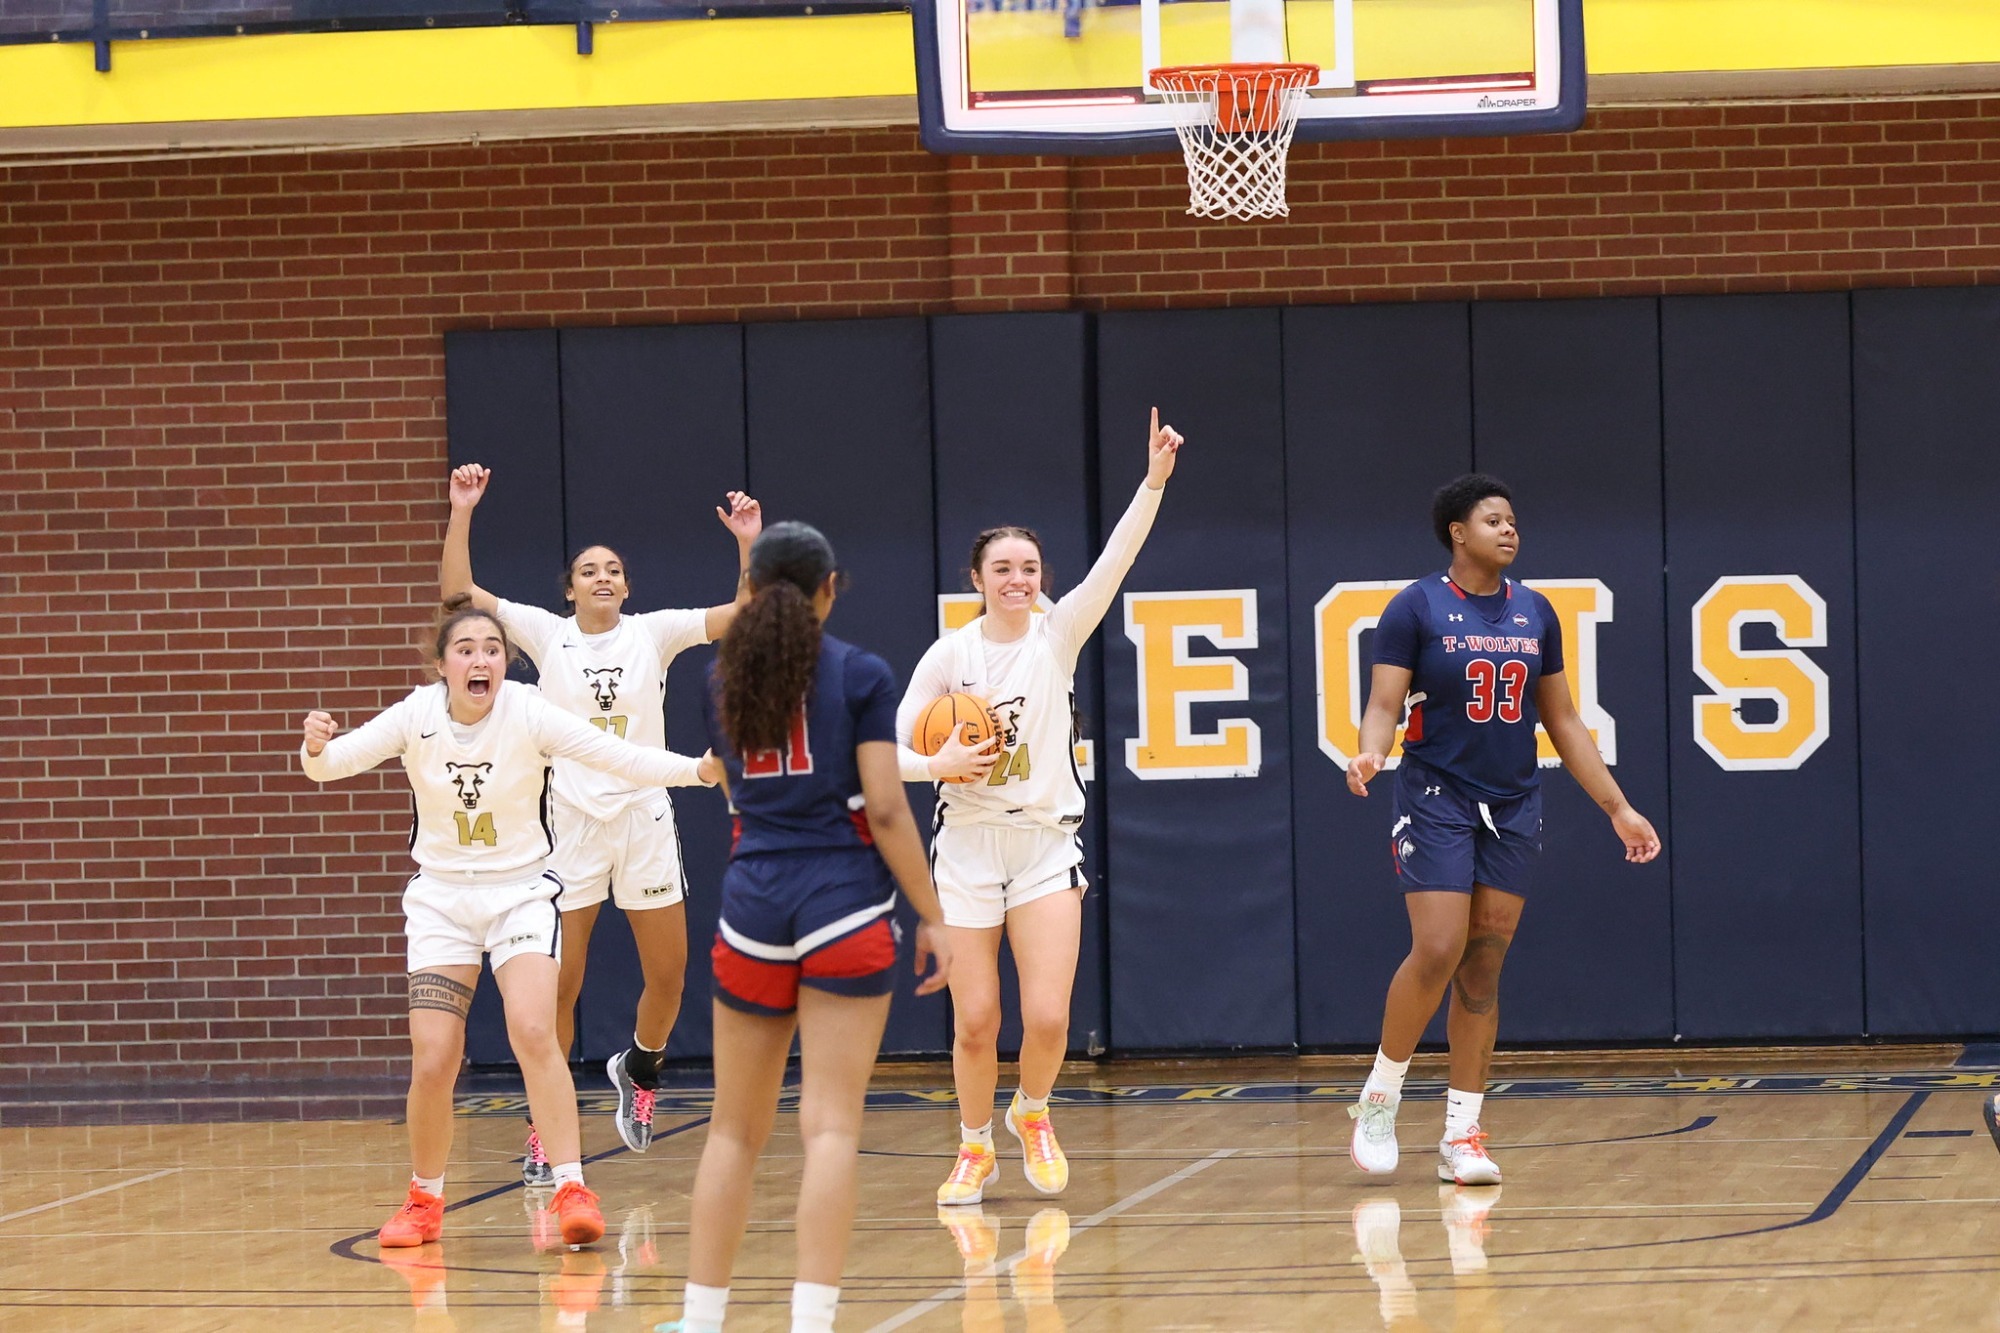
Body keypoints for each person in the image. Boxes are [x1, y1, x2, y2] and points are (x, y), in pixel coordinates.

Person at [299, 597, 721, 1250]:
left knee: (532, 1026)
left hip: (521, 893)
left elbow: (617, 755)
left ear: (505, 661)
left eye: (492, 648)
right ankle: (424, 1198)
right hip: (442, 903)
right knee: (435, 1055)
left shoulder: (526, 710)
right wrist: (315, 746)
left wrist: (694, 770)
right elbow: (333, 764)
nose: (482, 658)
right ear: (442, 663)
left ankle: (573, 1186)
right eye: (466, 648)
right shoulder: (417, 715)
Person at [667, 521, 952, 1333]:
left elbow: (733, 794)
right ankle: (811, 1322)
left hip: (753, 899)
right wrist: (934, 916)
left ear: (750, 591)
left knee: (731, 1129)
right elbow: (889, 806)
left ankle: (699, 1320)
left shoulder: (718, 680)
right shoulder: (861, 673)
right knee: (829, 1125)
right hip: (845, 901)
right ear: (831, 588)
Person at [440, 463, 761, 1180]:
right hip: (572, 823)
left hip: (644, 815)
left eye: (614, 569)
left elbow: (743, 613)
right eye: (590, 570)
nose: (604, 577)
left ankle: (639, 1066)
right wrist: (463, 510)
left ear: (627, 586)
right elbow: (458, 595)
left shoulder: (656, 632)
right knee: (559, 985)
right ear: (570, 588)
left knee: (671, 976)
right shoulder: (544, 634)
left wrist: (749, 542)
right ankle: (544, 1130)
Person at [900, 409, 1185, 1207]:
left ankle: (1032, 1110)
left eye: (1029, 566)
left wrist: (1153, 480)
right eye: (1003, 568)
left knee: (1051, 1019)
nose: (1018, 579)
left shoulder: (1057, 634)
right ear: (978, 579)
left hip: (1042, 846)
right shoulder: (949, 653)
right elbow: (886, 752)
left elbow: (1117, 560)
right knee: (976, 1019)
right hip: (965, 846)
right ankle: (972, 1146)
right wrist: (939, 762)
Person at [1345, 473, 1661, 1185]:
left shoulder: (1536, 613)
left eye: (1513, 519)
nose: (1509, 529)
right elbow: (1384, 702)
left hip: (1514, 801)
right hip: (1435, 792)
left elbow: (1565, 720)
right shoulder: (1416, 606)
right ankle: (1379, 1096)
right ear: (1459, 532)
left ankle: (1463, 1133)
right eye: (1494, 519)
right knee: (1438, 944)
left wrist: (1619, 807)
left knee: (1483, 964)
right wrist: (1370, 748)